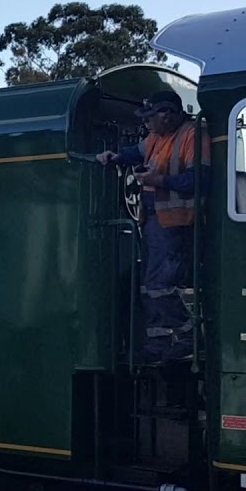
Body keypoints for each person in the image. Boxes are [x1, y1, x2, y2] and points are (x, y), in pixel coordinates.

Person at [96, 89, 210, 365]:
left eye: (149, 117)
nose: (145, 123)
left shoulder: (193, 134)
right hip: (153, 222)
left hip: (179, 225)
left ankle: (187, 339)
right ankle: (158, 343)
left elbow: (199, 180)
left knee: (162, 285)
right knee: (150, 286)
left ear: (167, 114)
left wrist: (159, 181)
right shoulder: (156, 137)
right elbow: (136, 152)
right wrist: (115, 157)